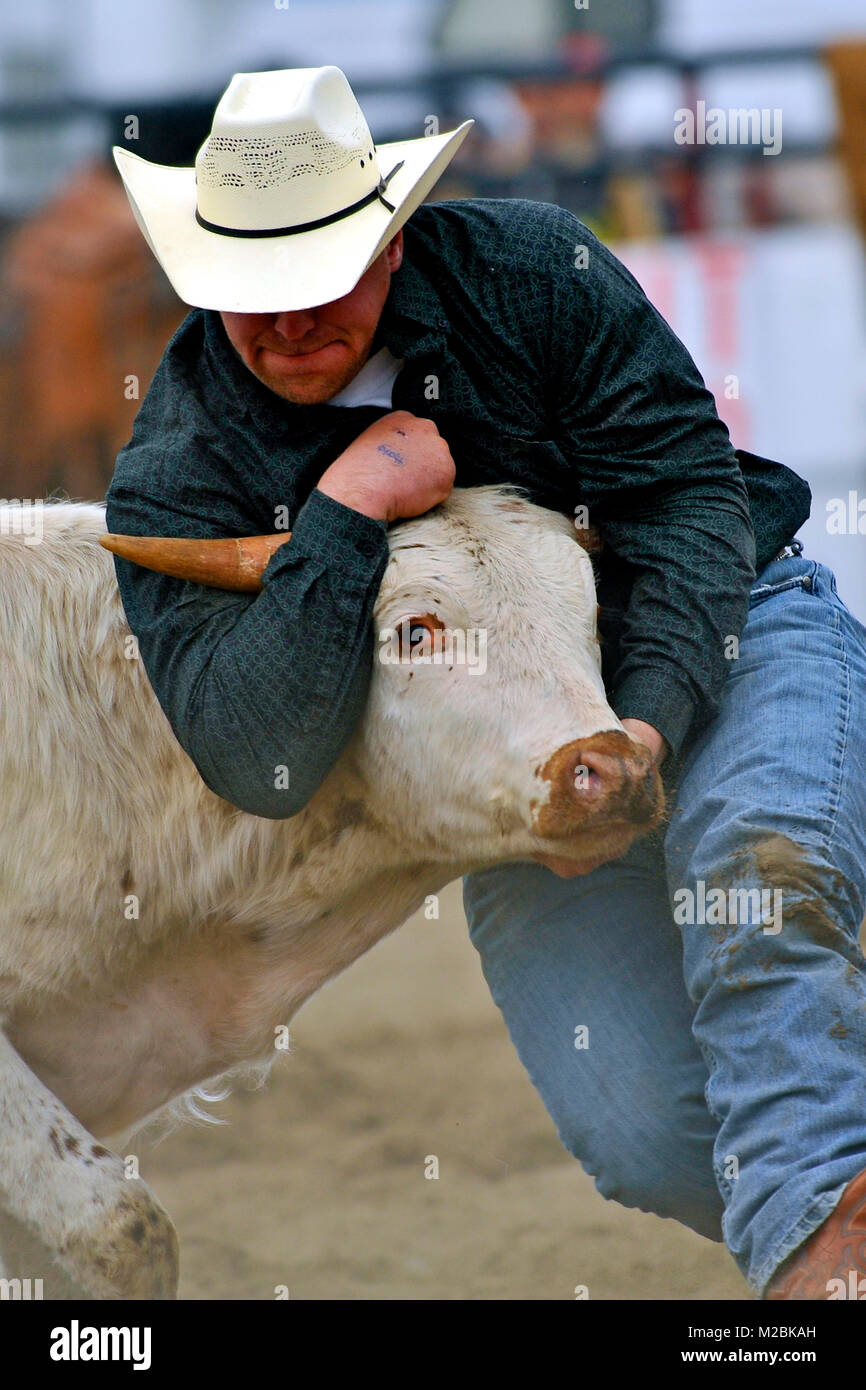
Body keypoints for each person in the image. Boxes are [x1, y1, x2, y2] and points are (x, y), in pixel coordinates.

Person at [106, 66, 866, 1300]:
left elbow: (687, 504)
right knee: (645, 1133)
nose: (287, 322)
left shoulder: (534, 272)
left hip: (721, 647)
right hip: (521, 789)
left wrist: (642, 731)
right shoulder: (177, 469)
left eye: (320, 281)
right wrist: (352, 505)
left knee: (757, 889)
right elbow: (260, 759)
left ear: (392, 243)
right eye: (250, 292)